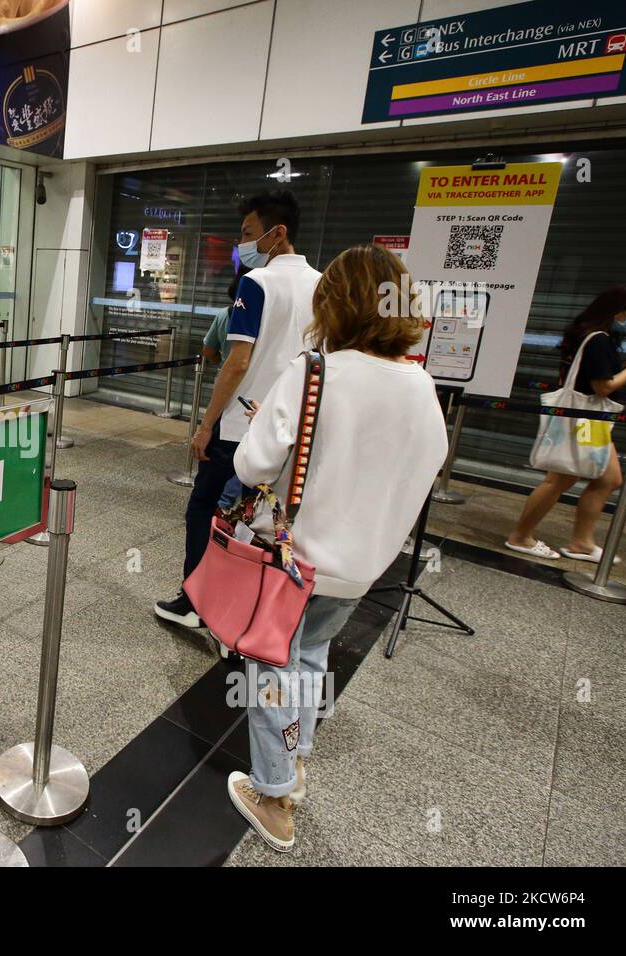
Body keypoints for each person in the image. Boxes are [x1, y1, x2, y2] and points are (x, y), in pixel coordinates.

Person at [224, 244, 448, 852]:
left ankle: (272, 794)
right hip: (361, 568)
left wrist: (260, 428)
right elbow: (428, 464)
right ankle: (296, 758)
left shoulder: (315, 370)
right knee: (314, 655)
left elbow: (251, 465)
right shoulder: (422, 385)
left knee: (271, 664)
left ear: (336, 305)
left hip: (297, 559)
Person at [155, 190, 321, 629]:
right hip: (291, 428)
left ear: (277, 233)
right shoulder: (323, 284)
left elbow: (237, 361)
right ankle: (247, 607)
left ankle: (197, 602)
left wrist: (205, 425)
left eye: (248, 233)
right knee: (259, 519)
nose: (242, 242)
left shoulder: (257, 284)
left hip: (240, 426)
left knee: (204, 509)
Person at [506, 285, 626, 561]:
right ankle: (521, 536)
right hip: (586, 421)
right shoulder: (598, 340)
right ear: (619, 310)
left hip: (589, 420)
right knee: (560, 479)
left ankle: (582, 542)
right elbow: (603, 386)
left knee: (608, 479)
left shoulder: (587, 335)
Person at [203, 271, 250, 511]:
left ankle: (218, 499)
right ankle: (228, 498)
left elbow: (208, 350)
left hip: (224, 389)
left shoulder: (224, 314)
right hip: (253, 394)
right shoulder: (262, 318)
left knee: (220, 444)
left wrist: (223, 364)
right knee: (246, 448)